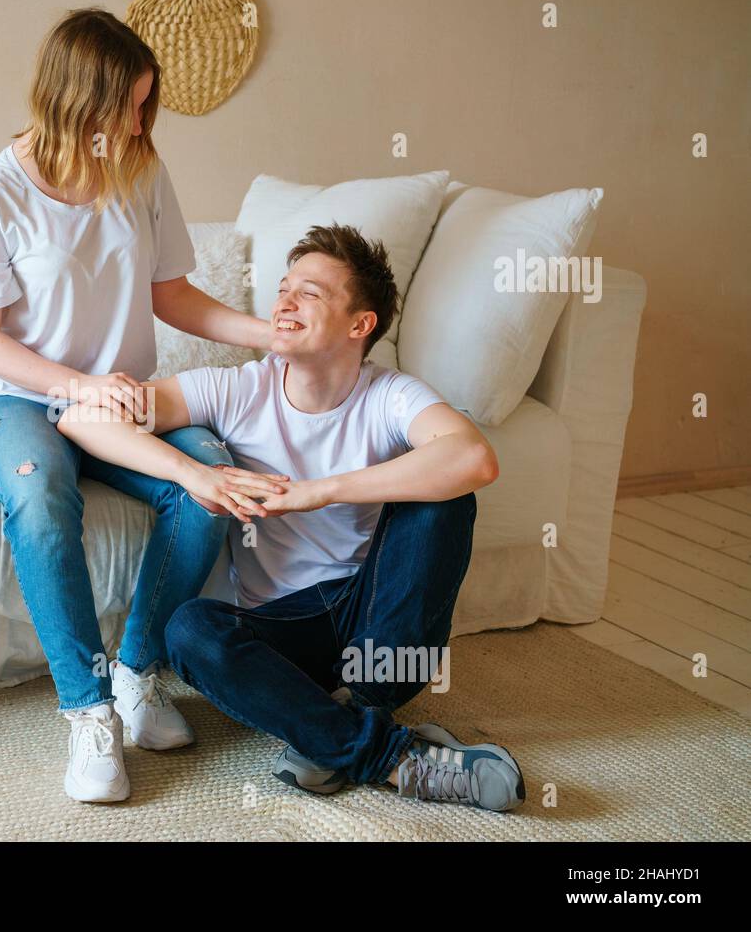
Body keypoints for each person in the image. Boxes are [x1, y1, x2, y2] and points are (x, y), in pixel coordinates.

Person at [57, 223, 526, 812]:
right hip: (284, 635)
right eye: (284, 287)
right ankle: (387, 753)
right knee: (189, 632)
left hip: (377, 633)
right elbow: (81, 419)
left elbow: (473, 458)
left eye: (311, 292)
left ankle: (339, 727)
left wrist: (320, 492)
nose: (285, 300)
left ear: (361, 325)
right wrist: (193, 474)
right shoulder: (238, 389)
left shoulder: (391, 395)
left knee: (447, 493)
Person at [0, 8, 277, 803]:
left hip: (121, 401)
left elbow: (173, 296)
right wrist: (76, 384)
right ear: (72, 100)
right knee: (39, 492)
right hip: (12, 398)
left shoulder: (140, 168)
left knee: (212, 482)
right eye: (127, 105)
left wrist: (266, 333)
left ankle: (136, 674)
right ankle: (89, 713)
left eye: (145, 105)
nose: (139, 121)